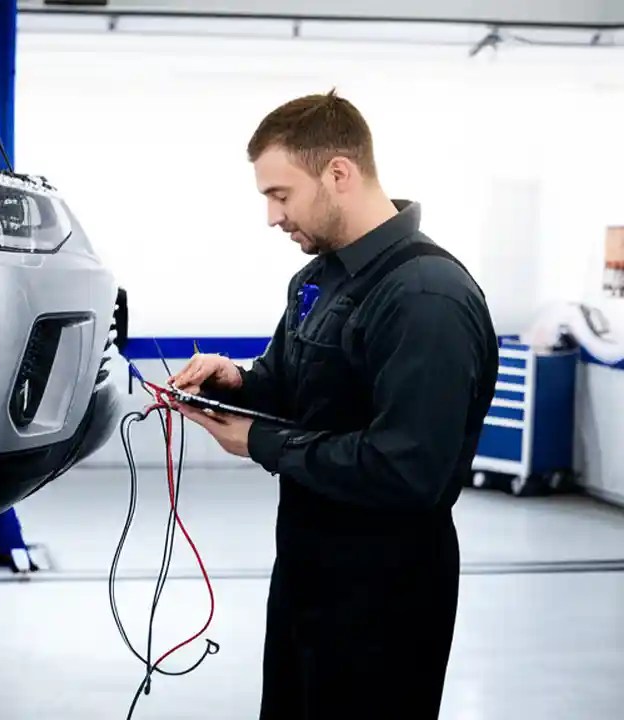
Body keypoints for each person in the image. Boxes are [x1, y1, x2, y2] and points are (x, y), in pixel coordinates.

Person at [168, 90, 499, 719]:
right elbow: (293, 383)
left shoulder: (426, 297)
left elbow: (408, 470)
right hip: (308, 569)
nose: (271, 216)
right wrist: (236, 383)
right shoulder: (318, 279)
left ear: (338, 174)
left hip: (386, 592)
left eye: (281, 194)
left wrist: (259, 442)